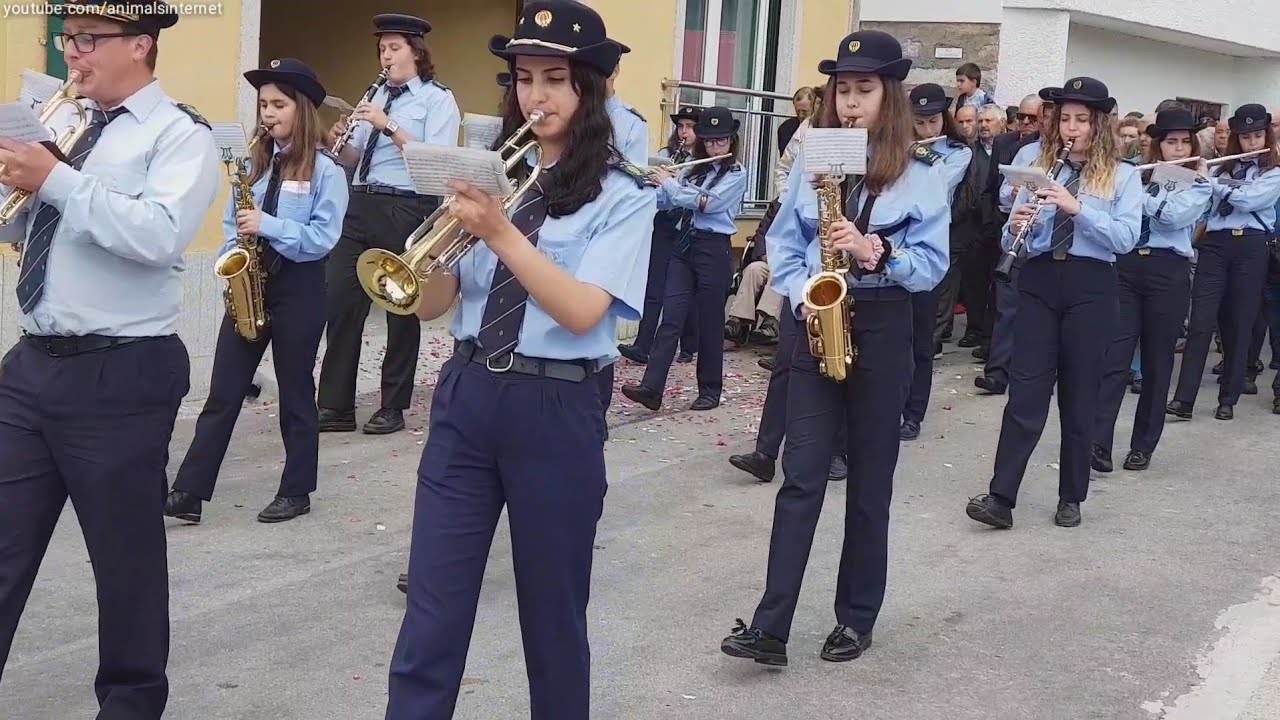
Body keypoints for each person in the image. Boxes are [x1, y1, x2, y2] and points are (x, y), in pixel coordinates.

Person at [384, 2, 654, 717]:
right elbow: (437, 301)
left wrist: (500, 234)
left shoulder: (625, 195)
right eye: (524, 79)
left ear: (590, 89)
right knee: (432, 613)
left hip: (557, 405)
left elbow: (582, 311)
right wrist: (440, 245)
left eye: (555, 79)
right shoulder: (493, 180)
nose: (536, 96)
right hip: (468, 392)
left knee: (553, 617)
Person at [0, 1, 220, 715]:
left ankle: (129, 706)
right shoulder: (68, 126)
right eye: (68, 41)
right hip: (33, 364)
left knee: (124, 564)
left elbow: (159, 236)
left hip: (120, 371)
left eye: (89, 41)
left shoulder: (178, 136)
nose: (75, 57)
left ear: (142, 46)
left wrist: (56, 179)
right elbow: (32, 235)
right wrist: (24, 188)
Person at [720, 29, 948, 667]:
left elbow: (932, 266)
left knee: (870, 484)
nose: (850, 103)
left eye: (864, 90)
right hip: (817, 321)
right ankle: (770, 628)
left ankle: (856, 618)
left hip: (882, 319)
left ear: (889, 96)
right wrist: (801, 292)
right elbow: (785, 245)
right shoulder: (816, 160)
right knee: (801, 478)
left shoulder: (921, 173)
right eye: (842, 91)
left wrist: (875, 250)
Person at [163, 59, 350, 525]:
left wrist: (269, 225)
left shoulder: (327, 172)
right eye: (264, 104)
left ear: (302, 110)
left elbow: (323, 238)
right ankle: (189, 490)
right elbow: (233, 222)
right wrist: (233, 256)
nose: (268, 113)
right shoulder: (253, 161)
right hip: (252, 281)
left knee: (295, 391)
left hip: (300, 286)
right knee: (224, 392)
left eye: (279, 105)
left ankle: (296, 490)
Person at [966, 77, 1142, 530]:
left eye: (1082, 120)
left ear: (1099, 125)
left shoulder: (1123, 176)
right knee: (1025, 393)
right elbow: (1019, 239)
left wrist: (1077, 208)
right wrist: (1018, 223)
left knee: (1079, 395)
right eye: (1066, 119)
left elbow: (1124, 239)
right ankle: (1001, 497)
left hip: (1092, 286)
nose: (1072, 128)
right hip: (1041, 280)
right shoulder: (1044, 169)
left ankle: (1071, 495)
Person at [317, 13, 461, 435]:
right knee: (342, 303)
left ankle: (392, 406)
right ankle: (336, 406)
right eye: (382, 49)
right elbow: (351, 159)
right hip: (359, 202)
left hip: (406, 206)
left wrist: (389, 125)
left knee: (401, 308)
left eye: (394, 48)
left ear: (416, 52)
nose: (386, 56)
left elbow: (434, 161)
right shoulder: (377, 98)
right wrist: (335, 140)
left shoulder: (437, 100)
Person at [1091, 108, 1209, 473]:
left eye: (1184, 142)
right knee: (1114, 358)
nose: (1177, 149)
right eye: (1170, 142)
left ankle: (1143, 445)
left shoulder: (1200, 182)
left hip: (1167, 271)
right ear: (1157, 144)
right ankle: (1099, 443)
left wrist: (1138, 197)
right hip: (1127, 267)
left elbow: (1174, 217)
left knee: (1158, 364)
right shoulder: (1133, 173)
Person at [620, 106, 748, 412]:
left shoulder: (736, 174)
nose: (716, 146)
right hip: (685, 244)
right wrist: (648, 184)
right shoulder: (693, 166)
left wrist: (671, 185)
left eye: (722, 141)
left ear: (731, 141)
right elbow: (669, 200)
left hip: (713, 249)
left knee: (709, 322)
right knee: (671, 317)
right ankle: (652, 388)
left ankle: (710, 389)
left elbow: (706, 204)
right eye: (711, 140)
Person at [1167, 104, 1280, 421]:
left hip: (1252, 246)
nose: (1253, 143)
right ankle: (1184, 399)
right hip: (1216, 245)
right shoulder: (1219, 168)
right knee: (1201, 322)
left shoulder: (1274, 171)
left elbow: (1251, 200)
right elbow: (1200, 198)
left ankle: (1228, 398)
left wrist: (1212, 183)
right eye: (1246, 137)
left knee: (1239, 322)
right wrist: (1201, 177)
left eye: (1258, 135)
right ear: (1236, 139)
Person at [901, 82, 970, 441]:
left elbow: (940, 183)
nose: (927, 130)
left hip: (929, 250)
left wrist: (916, 154)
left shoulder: (957, 152)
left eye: (932, 122)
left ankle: (913, 411)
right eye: (919, 123)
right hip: (895, 249)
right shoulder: (897, 148)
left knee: (921, 337)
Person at [618, 105, 700, 365]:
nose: (683, 131)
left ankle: (688, 345)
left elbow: (691, 196)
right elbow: (661, 197)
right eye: (680, 126)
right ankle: (643, 345)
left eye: (689, 126)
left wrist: (674, 183)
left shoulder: (700, 161)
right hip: (665, 223)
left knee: (681, 290)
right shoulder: (667, 155)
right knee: (654, 285)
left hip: (687, 227)